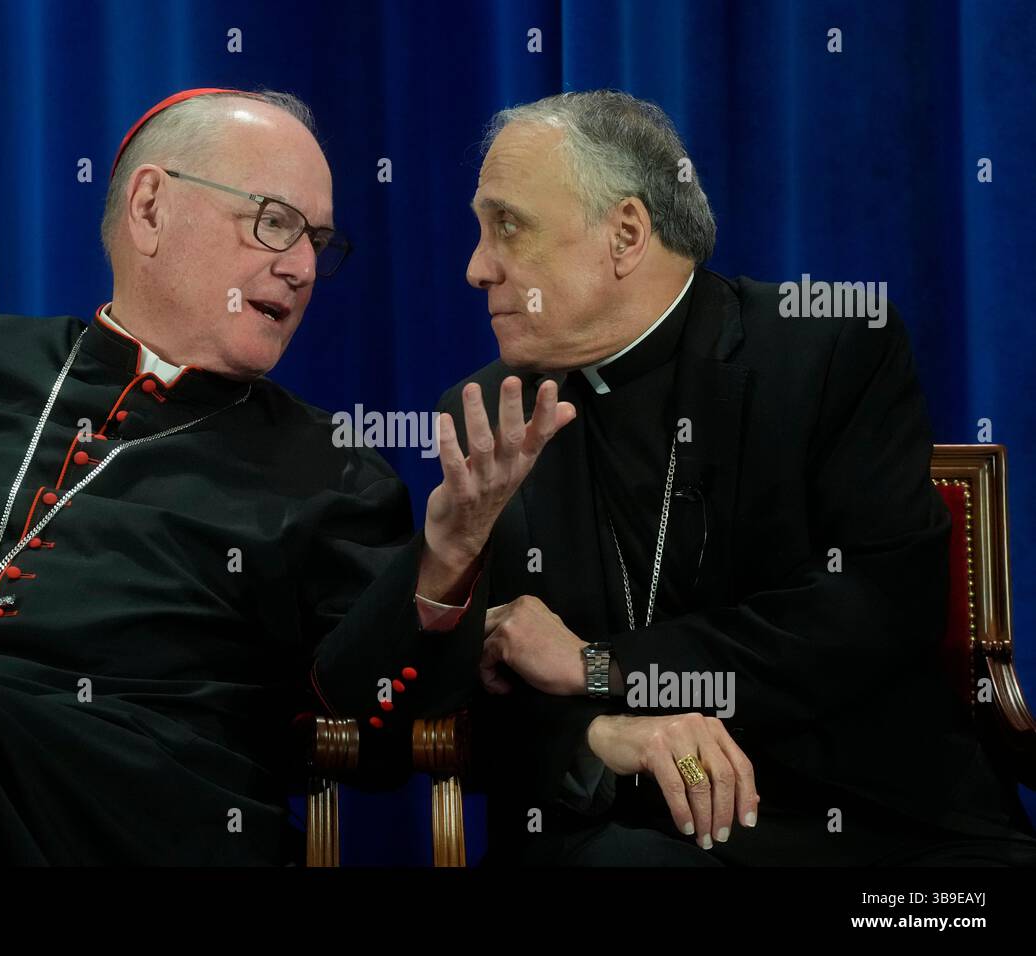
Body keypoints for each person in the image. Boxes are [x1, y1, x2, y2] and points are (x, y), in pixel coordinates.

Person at [0, 88, 574, 864]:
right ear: (149, 208)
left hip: (139, 821)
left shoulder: (331, 471)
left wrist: (445, 559)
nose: (303, 268)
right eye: (276, 223)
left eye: (318, 243)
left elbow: (371, 732)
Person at [442, 89, 1036, 865]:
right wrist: (604, 730)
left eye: (507, 226)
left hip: (868, 822)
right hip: (633, 827)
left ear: (625, 234)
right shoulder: (490, 412)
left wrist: (601, 665)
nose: (476, 267)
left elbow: (876, 613)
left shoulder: (828, 351)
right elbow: (470, 687)